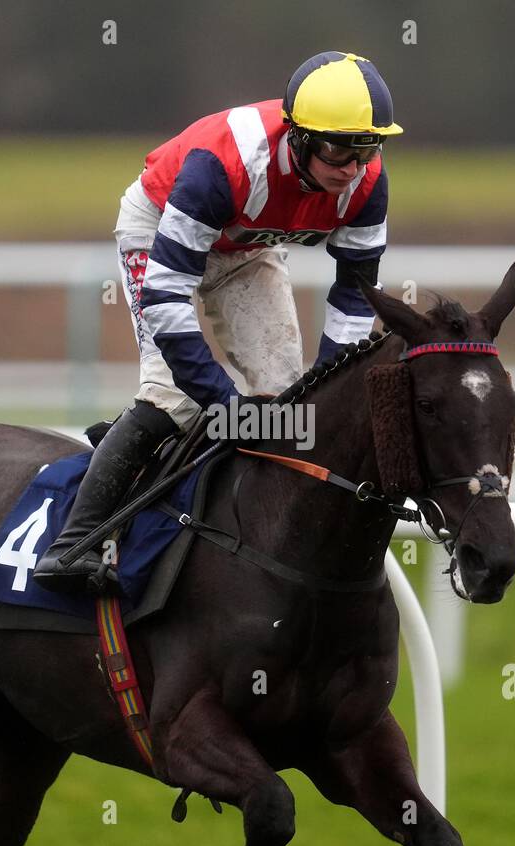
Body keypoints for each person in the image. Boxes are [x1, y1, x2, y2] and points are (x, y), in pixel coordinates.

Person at [33, 50, 401, 594]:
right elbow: (166, 294)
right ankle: (72, 543)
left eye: (367, 148)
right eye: (338, 148)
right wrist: (221, 403)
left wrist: (328, 388)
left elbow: (354, 297)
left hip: (247, 250)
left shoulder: (367, 184)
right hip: (162, 234)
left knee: (288, 403)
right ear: (298, 138)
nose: (352, 167)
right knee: (174, 398)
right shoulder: (225, 161)